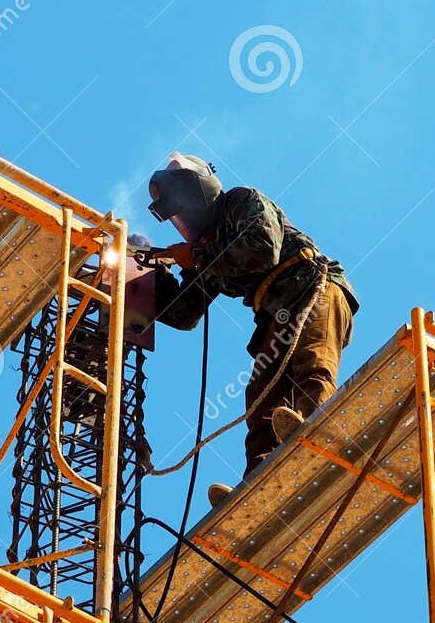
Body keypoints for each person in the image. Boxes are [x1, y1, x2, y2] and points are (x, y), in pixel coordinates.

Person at [146, 153, 359, 506]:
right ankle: (258, 482)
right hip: (274, 313)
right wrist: (153, 275)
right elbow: (185, 312)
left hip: (312, 286)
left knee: (312, 364)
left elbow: (261, 249)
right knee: (261, 400)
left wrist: (196, 257)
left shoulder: (241, 201)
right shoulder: (208, 248)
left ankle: (315, 431)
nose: (182, 218)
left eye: (181, 205)